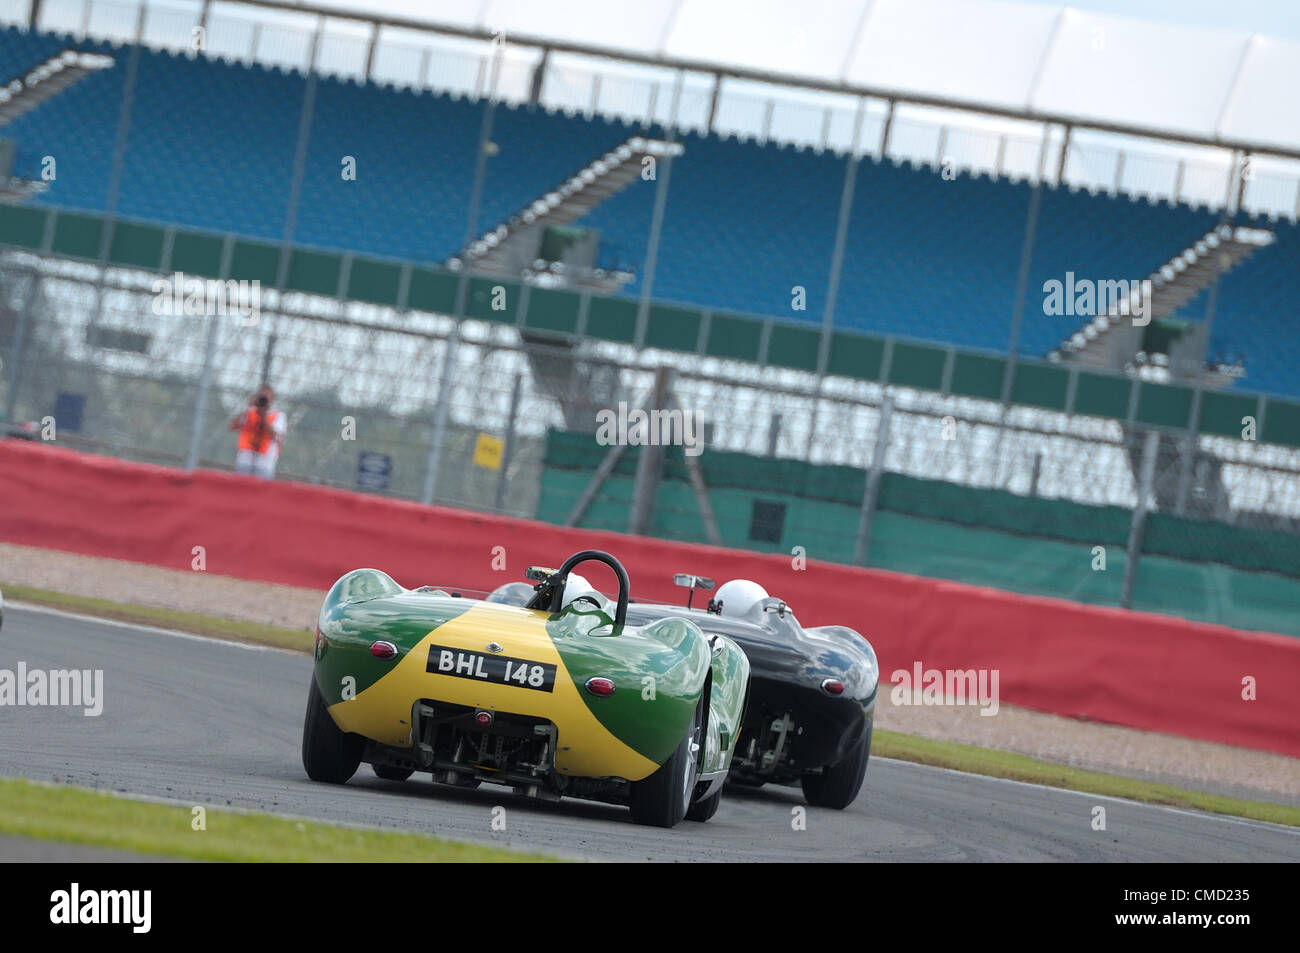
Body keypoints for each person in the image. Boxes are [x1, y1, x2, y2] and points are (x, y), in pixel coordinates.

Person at [229, 385, 286, 479]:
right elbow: (232, 426)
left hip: (265, 462)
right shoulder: (249, 411)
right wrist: (247, 408)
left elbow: (275, 436)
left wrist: (263, 416)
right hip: (245, 459)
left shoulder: (279, 415)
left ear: (272, 398)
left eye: (266, 397)